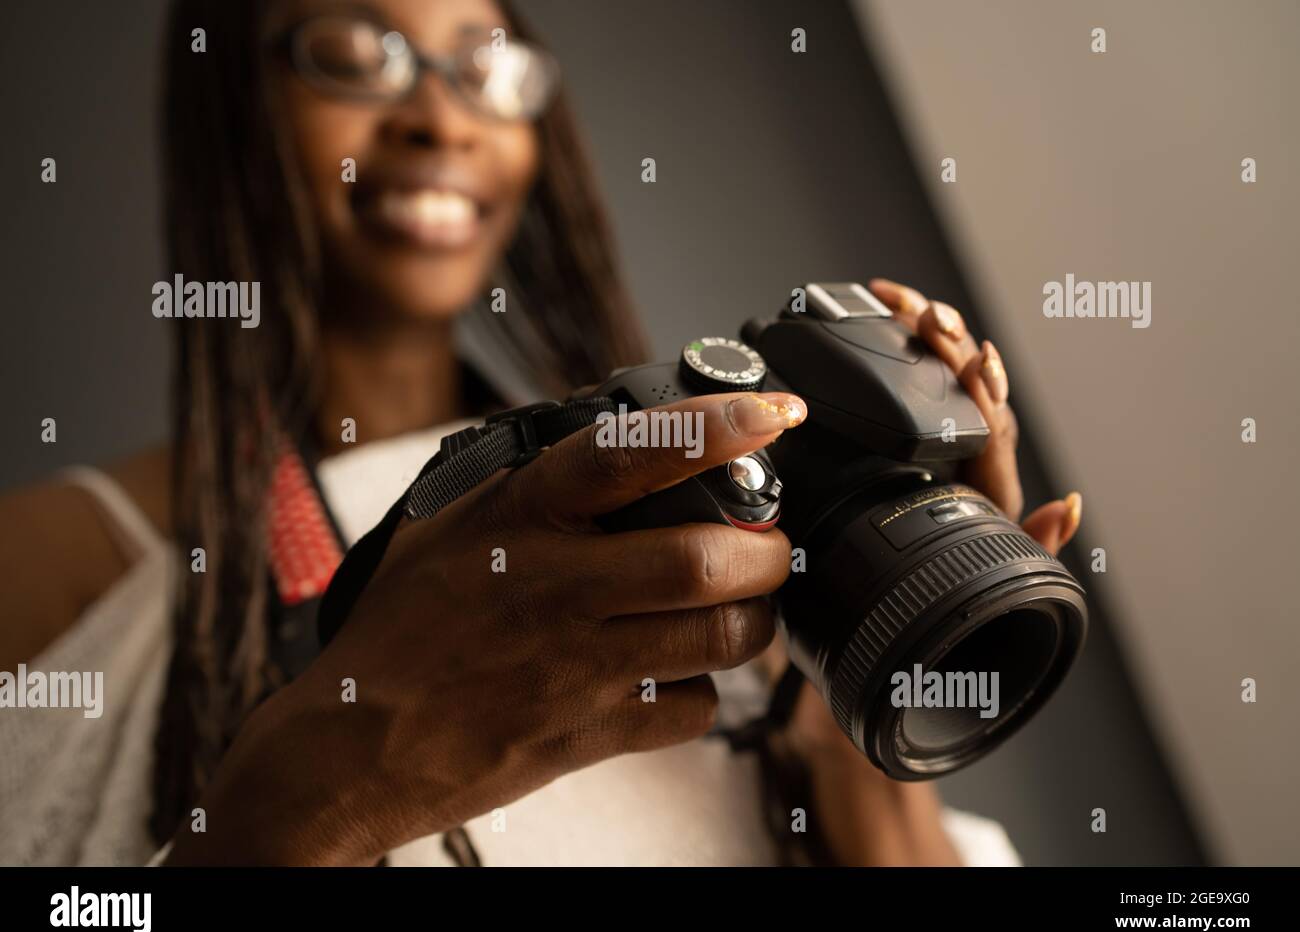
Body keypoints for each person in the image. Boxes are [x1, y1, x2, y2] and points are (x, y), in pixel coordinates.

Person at [0, 0, 1082, 866]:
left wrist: (852, 699)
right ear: (230, 104)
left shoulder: (680, 489)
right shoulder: (62, 555)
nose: (439, 114)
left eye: (487, 65)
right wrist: (323, 791)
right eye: (352, 54)